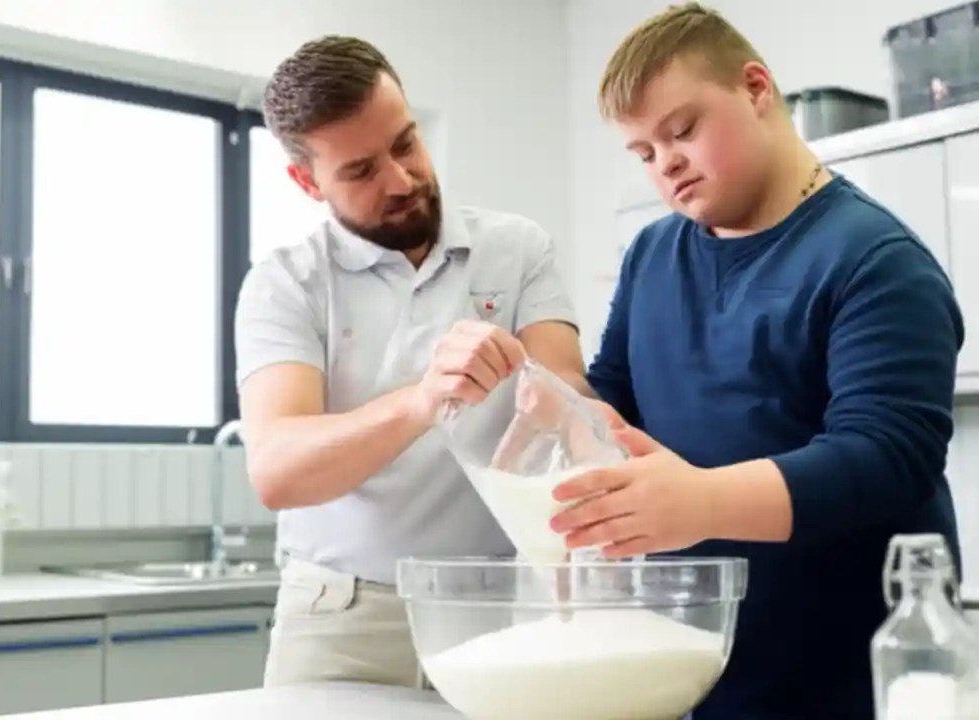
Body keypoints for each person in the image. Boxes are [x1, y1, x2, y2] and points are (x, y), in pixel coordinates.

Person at [550, 4, 965, 718]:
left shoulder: (875, 260)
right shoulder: (652, 256)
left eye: (682, 130)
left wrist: (700, 502)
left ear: (755, 88)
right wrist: (539, 399)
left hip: (843, 678)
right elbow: (612, 398)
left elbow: (887, 456)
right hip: (692, 670)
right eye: (644, 153)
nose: (666, 163)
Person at [234, 35, 587, 688]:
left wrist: (553, 401)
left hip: (498, 606)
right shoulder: (285, 285)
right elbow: (277, 469)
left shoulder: (518, 249)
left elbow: (569, 389)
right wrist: (422, 400)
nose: (401, 181)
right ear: (306, 180)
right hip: (344, 619)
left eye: (405, 143)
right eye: (361, 171)